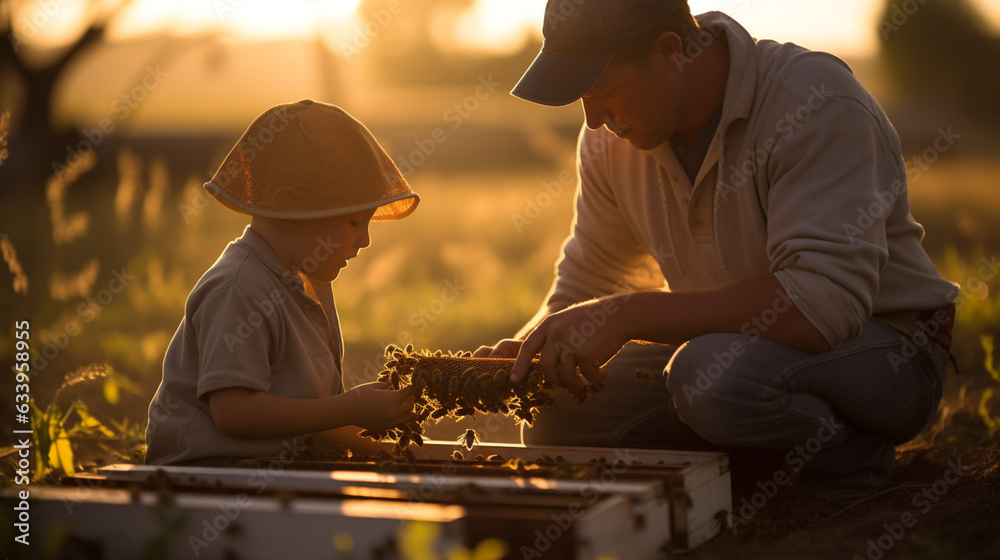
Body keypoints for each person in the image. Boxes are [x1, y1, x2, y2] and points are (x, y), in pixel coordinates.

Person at [476, 0, 957, 499]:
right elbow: (593, 279)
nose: (593, 118)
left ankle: (850, 463)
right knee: (555, 413)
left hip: (889, 350)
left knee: (708, 377)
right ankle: (754, 464)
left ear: (669, 52)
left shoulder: (814, 102)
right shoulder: (609, 140)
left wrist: (626, 317)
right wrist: (536, 344)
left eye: (603, 90)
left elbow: (821, 306)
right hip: (729, 352)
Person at [145, 100, 419, 465]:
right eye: (354, 222)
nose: (365, 240)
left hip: (276, 470)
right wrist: (350, 407)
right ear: (291, 212)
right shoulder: (239, 288)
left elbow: (306, 416)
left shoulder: (299, 282)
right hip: (209, 478)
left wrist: (393, 448)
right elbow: (235, 412)